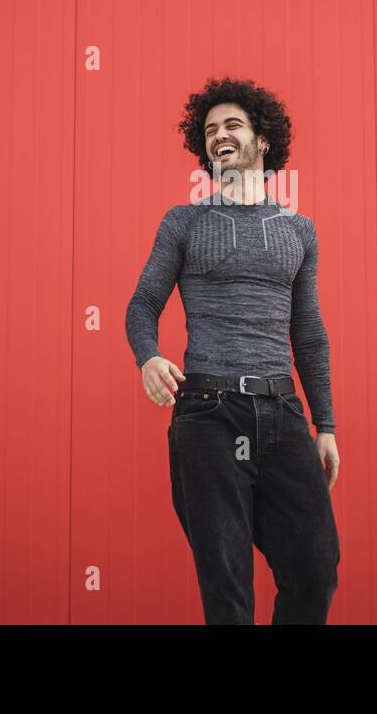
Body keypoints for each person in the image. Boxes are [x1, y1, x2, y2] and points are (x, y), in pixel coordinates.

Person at [125, 76, 341, 624]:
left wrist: (326, 426)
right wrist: (149, 356)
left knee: (316, 567)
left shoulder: (300, 230)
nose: (219, 134)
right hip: (207, 416)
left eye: (232, 125)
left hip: (283, 415)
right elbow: (141, 305)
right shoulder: (184, 221)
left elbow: (308, 333)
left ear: (261, 138)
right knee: (228, 590)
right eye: (209, 129)